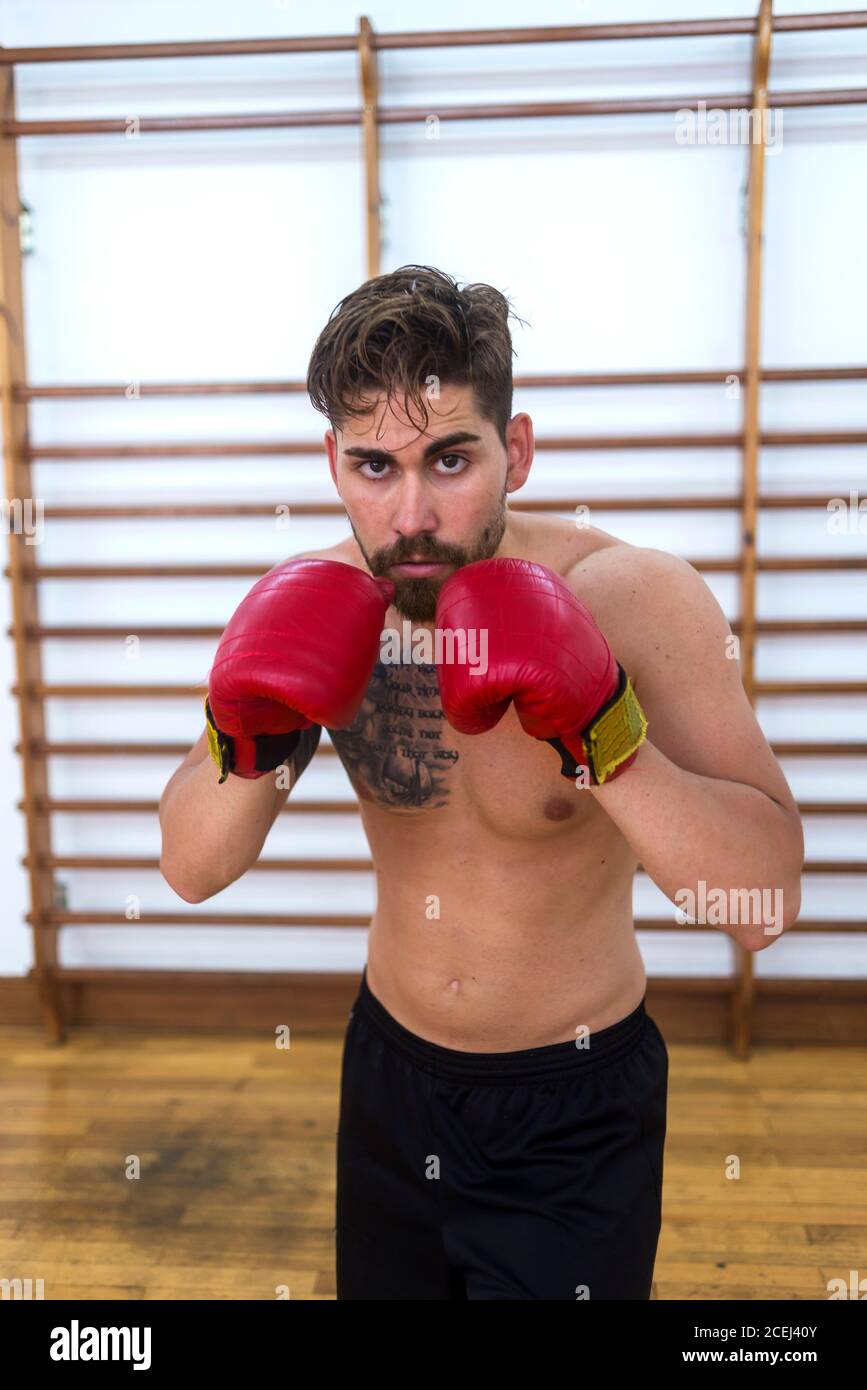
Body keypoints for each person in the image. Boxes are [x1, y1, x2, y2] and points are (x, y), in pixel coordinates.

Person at [159, 264, 804, 1300]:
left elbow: (767, 900)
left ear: (521, 451)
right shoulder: (313, 611)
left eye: (450, 458)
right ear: (332, 462)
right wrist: (248, 735)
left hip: (574, 1104)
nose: (411, 512)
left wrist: (606, 730)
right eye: (374, 465)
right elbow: (190, 869)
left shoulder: (633, 599)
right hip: (390, 1079)